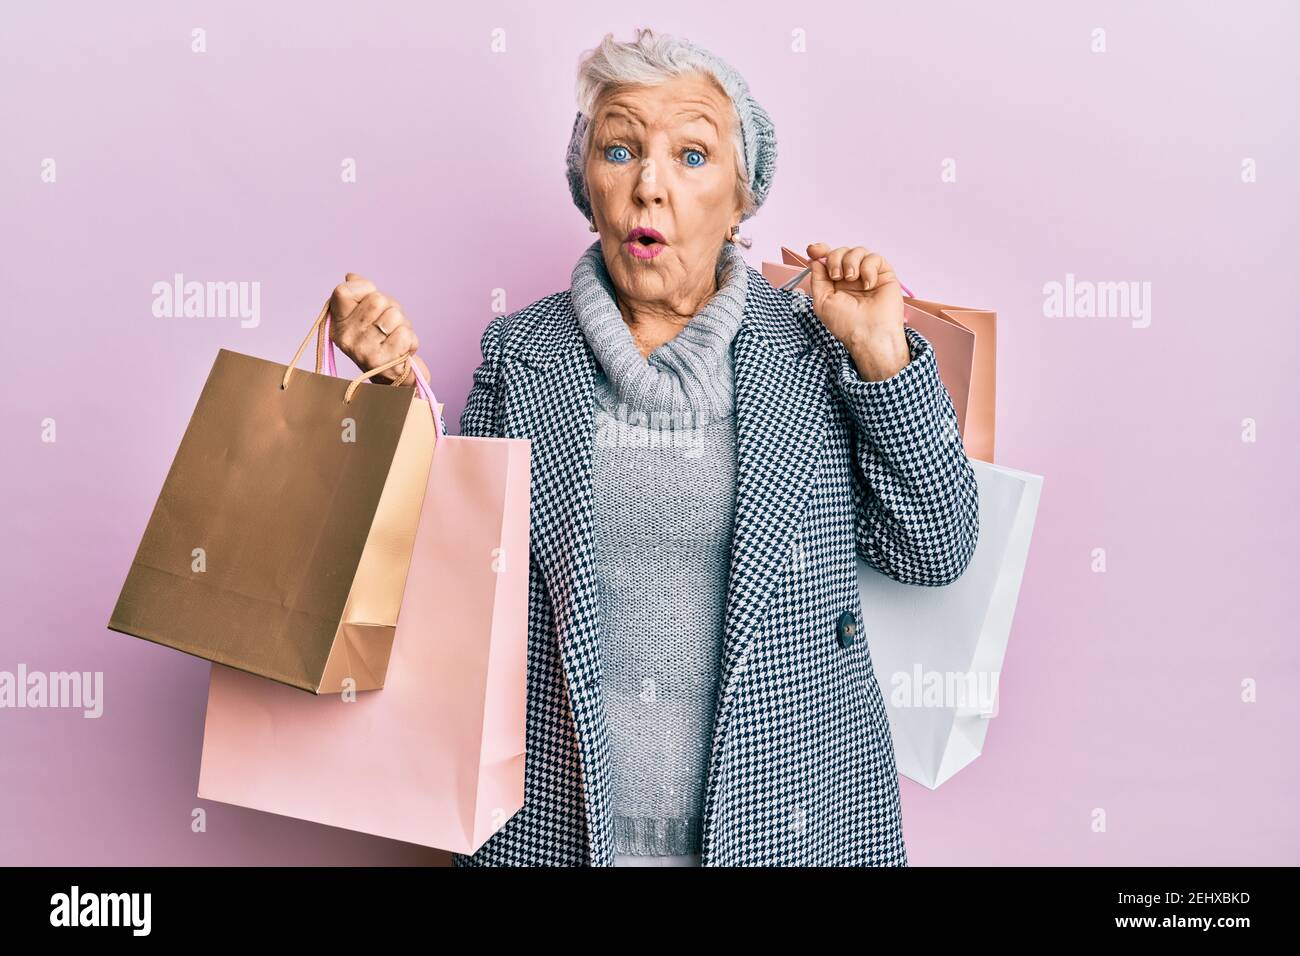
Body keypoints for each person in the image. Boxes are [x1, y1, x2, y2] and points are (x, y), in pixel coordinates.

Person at [328, 27, 979, 867]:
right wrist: (390, 396)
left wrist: (883, 358)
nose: (650, 186)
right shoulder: (522, 356)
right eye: (621, 148)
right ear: (585, 183)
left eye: (693, 155)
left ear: (744, 198)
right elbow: (449, 589)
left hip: (796, 836)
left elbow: (934, 547)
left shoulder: (817, 350)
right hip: (554, 835)